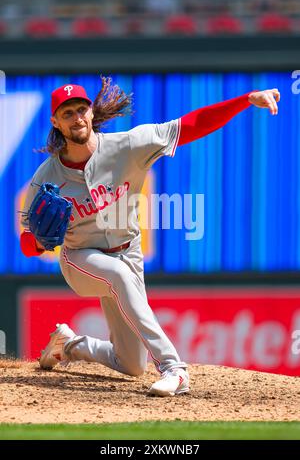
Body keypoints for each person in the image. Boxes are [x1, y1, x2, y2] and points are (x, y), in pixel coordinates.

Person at [20, 76, 280, 397]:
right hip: (80, 259)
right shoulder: (46, 177)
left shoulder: (127, 145)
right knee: (116, 275)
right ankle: (174, 367)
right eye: (68, 112)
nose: (77, 117)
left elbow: (189, 126)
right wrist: (38, 242)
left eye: (81, 109)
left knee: (130, 363)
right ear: (55, 122)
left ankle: (71, 344)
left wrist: (244, 100)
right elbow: (28, 241)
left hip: (128, 254)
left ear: (91, 113)